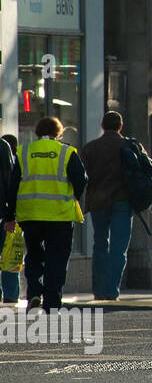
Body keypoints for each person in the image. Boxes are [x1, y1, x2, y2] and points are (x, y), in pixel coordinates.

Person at [14, 117, 87, 311]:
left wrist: (9, 214)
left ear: (37, 132)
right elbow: (81, 179)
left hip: (30, 215)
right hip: (60, 215)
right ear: (58, 132)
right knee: (57, 258)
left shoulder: (24, 152)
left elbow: (13, 185)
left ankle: (34, 293)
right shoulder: (66, 151)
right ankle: (52, 301)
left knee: (34, 254)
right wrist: (73, 196)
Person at [81, 111, 137, 300]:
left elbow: (82, 176)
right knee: (118, 248)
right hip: (122, 200)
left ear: (102, 126)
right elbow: (147, 167)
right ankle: (112, 290)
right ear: (120, 127)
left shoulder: (90, 148)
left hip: (98, 201)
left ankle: (99, 290)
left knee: (99, 244)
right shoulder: (129, 145)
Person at [0, 135, 18, 304]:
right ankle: (10, 295)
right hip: (1, 211)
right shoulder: (2, 147)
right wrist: (10, 213)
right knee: (8, 253)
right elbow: (9, 181)